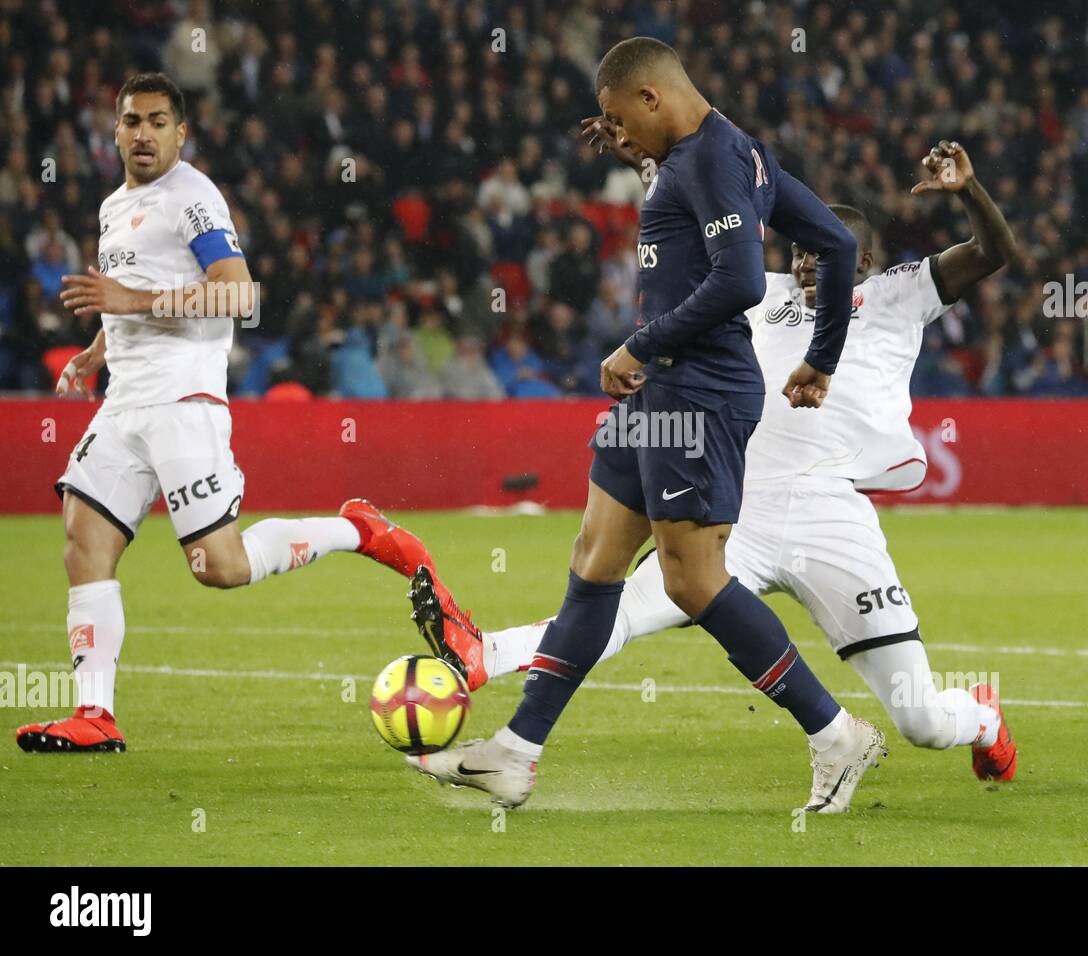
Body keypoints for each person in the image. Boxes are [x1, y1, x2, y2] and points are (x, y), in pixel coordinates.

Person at [414, 141, 1020, 784]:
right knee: (617, 606)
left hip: (833, 516)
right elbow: (693, 236)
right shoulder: (757, 292)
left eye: (826, 251)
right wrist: (651, 168)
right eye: (801, 250)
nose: (810, 262)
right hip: (745, 506)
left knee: (921, 721)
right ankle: (483, 655)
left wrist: (968, 192)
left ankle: (981, 720)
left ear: (863, 260)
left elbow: (992, 254)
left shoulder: (902, 294)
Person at [408, 37, 879, 813]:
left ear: (653, 98)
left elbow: (737, 279)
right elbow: (833, 239)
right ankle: (515, 755)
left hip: (698, 391)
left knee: (693, 581)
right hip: (660, 395)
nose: (615, 131)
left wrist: (641, 342)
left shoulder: (714, 161)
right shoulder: (727, 154)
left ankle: (835, 735)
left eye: (619, 115)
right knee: (595, 557)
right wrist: (819, 358)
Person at [15, 73, 431, 754]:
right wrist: (96, 351)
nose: (142, 133)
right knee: (83, 539)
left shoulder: (194, 198)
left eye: (157, 121)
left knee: (220, 567)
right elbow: (133, 295)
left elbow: (237, 297)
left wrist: (127, 304)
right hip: (125, 403)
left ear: (181, 132)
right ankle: (95, 714)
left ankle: (355, 530)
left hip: (184, 401)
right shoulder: (114, 207)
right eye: (130, 121)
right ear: (114, 131)